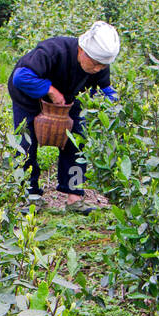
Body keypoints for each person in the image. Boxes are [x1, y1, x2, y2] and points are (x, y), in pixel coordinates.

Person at [7, 20, 120, 204]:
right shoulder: (54, 51)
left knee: (76, 141)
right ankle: (28, 193)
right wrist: (50, 90)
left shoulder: (98, 66)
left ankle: (74, 195)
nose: (98, 69)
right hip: (29, 97)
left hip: (69, 100)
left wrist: (118, 105)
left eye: (102, 66)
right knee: (25, 143)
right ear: (83, 50)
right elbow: (21, 77)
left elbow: (106, 90)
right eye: (95, 64)